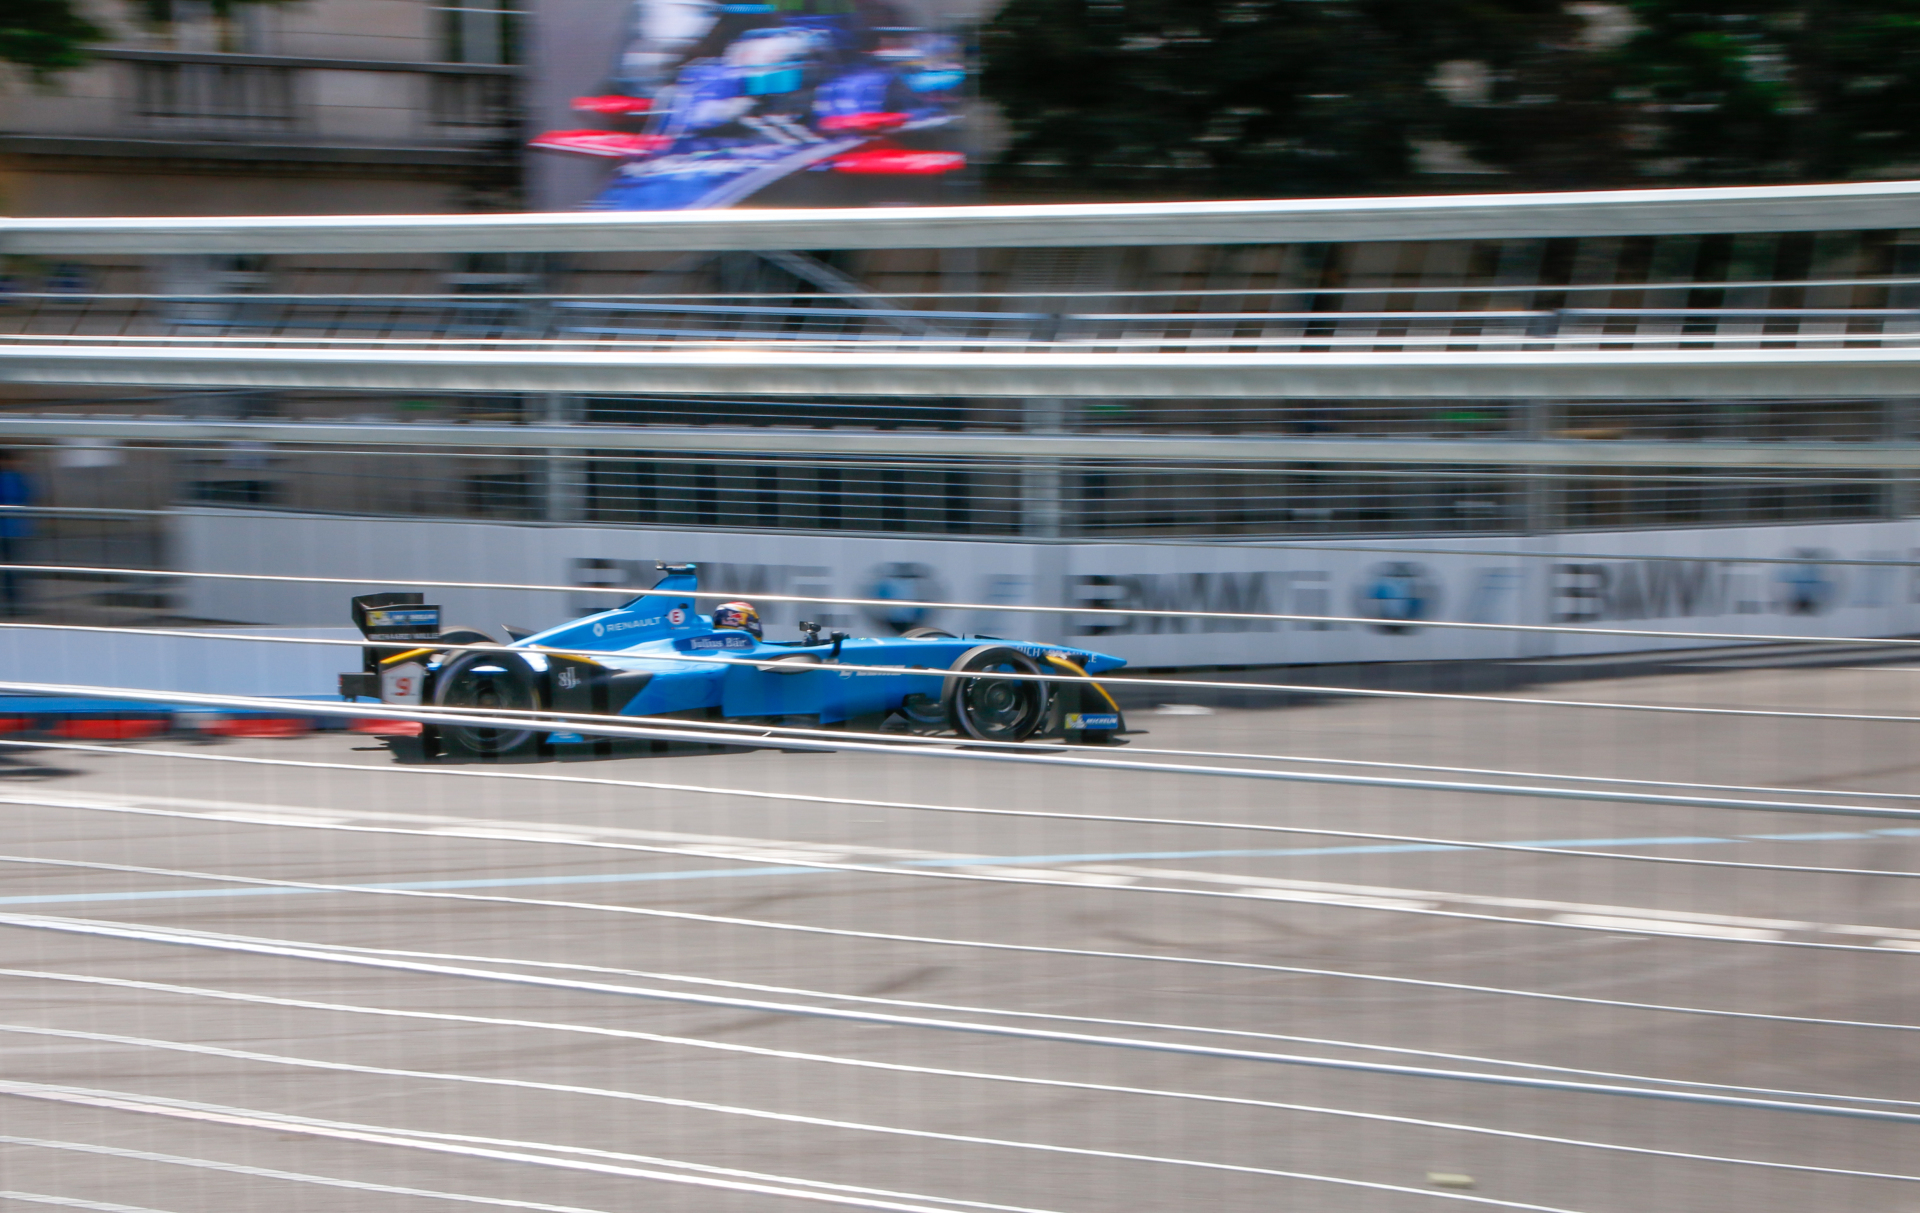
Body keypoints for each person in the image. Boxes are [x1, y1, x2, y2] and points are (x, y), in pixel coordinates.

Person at [0, 450, 32, 616]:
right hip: (11, 530)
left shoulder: (17, 476)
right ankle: (12, 604)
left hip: (13, 530)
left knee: (11, 570)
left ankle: (13, 603)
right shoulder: (16, 477)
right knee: (10, 569)